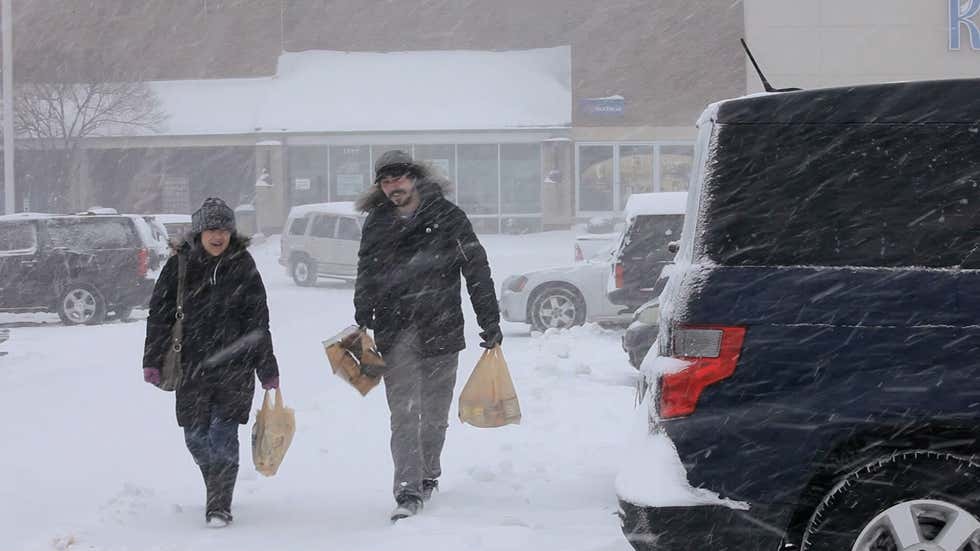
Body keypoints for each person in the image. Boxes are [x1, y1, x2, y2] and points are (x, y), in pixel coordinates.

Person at [354, 150, 503, 522]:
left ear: (414, 178)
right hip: (395, 329)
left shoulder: (448, 217)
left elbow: (477, 269)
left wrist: (489, 319)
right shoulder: (377, 222)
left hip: (441, 327)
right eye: (386, 182)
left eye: (398, 180)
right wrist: (362, 312)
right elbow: (366, 269)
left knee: (434, 415)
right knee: (404, 413)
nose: (393, 188)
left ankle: (427, 473)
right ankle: (406, 490)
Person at [142, 197, 280, 528]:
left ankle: (219, 505)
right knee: (195, 436)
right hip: (191, 364)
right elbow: (159, 316)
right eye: (211, 229)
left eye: (224, 230)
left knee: (222, 433)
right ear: (199, 232)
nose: (218, 236)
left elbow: (259, 320)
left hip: (236, 366)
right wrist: (152, 358)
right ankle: (216, 483)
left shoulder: (243, 264)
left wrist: (267, 368)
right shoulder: (179, 266)